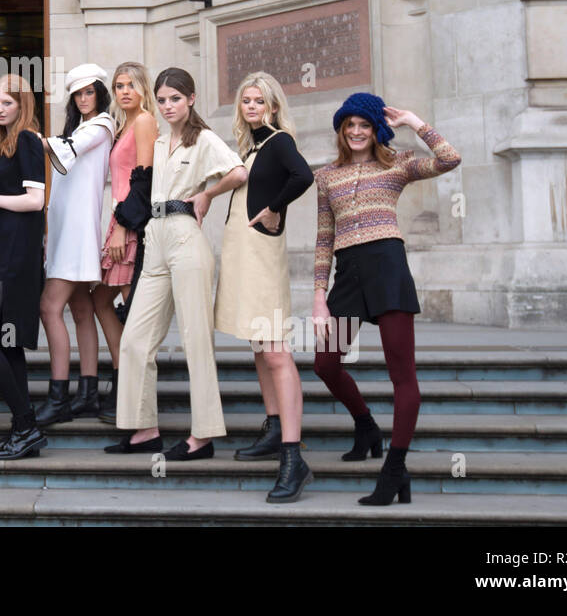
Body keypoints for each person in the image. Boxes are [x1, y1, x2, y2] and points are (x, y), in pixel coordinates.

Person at [312, 93, 460, 505]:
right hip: (348, 274)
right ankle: (365, 425)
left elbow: (450, 159)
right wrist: (318, 297)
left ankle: (395, 469)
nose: (357, 132)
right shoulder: (325, 177)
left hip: (388, 267)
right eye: (350, 125)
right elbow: (324, 238)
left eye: (365, 125)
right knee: (325, 363)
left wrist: (416, 122)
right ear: (341, 130)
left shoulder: (397, 164)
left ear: (377, 129)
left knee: (402, 374)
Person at [108, 68, 246, 460]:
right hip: (155, 238)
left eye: (175, 99)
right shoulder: (161, 139)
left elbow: (238, 171)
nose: (168, 106)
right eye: (163, 99)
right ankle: (144, 429)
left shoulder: (202, 139)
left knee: (195, 339)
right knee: (135, 339)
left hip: (186, 237)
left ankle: (203, 436)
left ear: (191, 100)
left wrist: (208, 194)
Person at [215, 71, 315, 502]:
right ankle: (274, 428)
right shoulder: (251, 145)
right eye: (246, 100)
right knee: (258, 346)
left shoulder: (278, 141)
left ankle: (294, 456)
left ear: (273, 107)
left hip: (261, 257)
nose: (251, 106)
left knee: (275, 350)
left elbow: (304, 176)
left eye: (259, 101)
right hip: (242, 257)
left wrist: (275, 208)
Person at [0, 74, 47, 460]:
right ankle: (23, 430)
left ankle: (27, 424)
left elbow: (35, 201)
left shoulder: (29, 140)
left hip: (16, 257)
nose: (0, 109)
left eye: (8, 103)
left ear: (22, 105)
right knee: (9, 343)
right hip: (1, 251)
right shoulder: (4, 144)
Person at [37, 64, 115, 424]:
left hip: (80, 234)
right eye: (78, 94)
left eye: (89, 92)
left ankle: (59, 395)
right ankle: (88, 393)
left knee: (49, 307)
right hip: (66, 231)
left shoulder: (100, 126)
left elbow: (68, 149)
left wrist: (29, 138)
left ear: (99, 93)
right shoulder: (79, 129)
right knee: (81, 311)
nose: (84, 99)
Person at [94, 62, 158, 424]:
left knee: (131, 314)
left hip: (131, 222)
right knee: (102, 300)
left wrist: (121, 226)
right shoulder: (123, 126)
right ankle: (122, 378)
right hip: (119, 220)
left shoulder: (146, 120)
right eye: (119, 86)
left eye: (131, 85)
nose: (124, 91)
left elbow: (143, 179)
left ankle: (134, 399)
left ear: (142, 88)